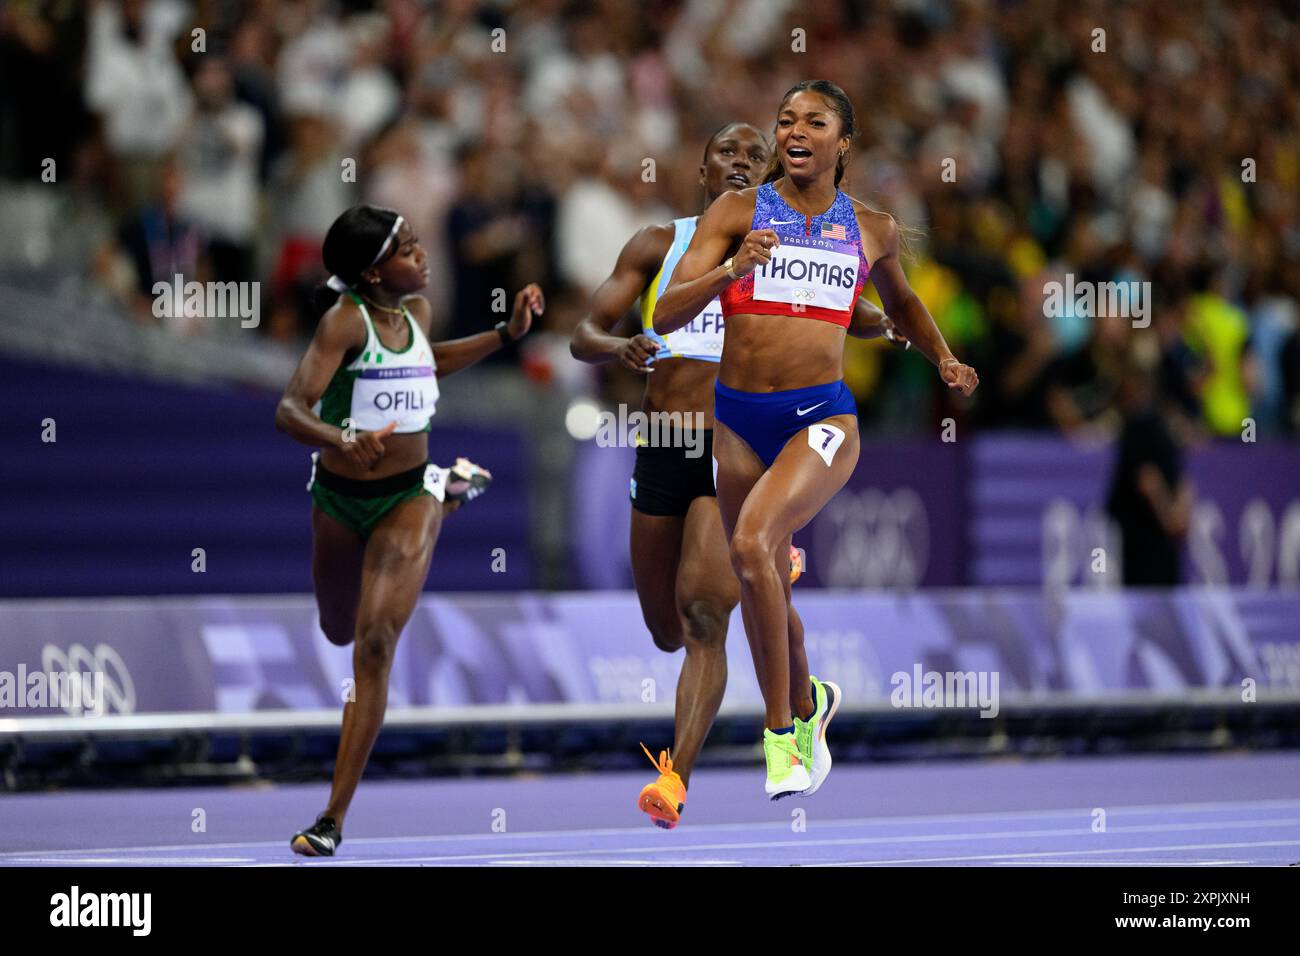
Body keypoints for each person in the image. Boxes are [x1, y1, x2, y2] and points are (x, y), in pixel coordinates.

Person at [573, 121, 906, 825]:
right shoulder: (658, 245)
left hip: (739, 445)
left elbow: (851, 305)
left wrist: (890, 323)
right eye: (728, 152)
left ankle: (676, 778)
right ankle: (809, 690)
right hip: (662, 443)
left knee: (703, 612)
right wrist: (619, 345)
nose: (742, 162)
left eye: (756, 157)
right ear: (701, 168)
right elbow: (582, 335)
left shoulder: (791, 242)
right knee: (665, 625)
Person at [654, 80, 978, 799]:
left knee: (749, 545)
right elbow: (669, 314)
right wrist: (730, 270)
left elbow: (903, 305)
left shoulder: (873, 228)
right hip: (738, 422)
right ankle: (813, 702)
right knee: (759, 573)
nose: (795, 129)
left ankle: (783, 739)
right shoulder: (736, 212)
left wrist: (943, 357)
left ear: (843, 143)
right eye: (786, 120)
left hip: (823, 420)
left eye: (814, 120)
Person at [275, 204, 544, 855]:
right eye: (407, 249)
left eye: (420, 244)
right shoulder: (344, 322)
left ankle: (332, 818)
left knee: (371, 647)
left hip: (404, 496)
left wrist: (505, 335)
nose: (422, 256)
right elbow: (291, 408)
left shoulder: (417, 315)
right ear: (371, 274)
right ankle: (457, 488)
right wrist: (342, 437)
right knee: (337, 627)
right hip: (340, 499)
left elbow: (430, 361)